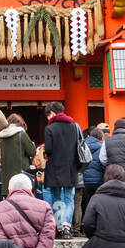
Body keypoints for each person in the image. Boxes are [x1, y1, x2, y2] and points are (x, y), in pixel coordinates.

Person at [42, 101, 81, 238]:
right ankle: (66, 227)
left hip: (55, 167)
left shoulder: (50, 128)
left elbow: (49, 149)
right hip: (71, 168)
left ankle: (59, 227)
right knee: (69, 197)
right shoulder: (74, 126)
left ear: (52, 113)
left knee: (57, 196)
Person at [0, 113, 37, 201]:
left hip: (5, 177)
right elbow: (32, 151)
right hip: (22, 175)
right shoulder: (21, 134)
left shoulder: (0, 136)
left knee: (8, 201)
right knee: (24, 201)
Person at [79, 125, 105, 219]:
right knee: (98, 203)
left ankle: (84, 225)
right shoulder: (102, 147)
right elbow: (103, 162)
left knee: (85, 203)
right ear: (101, 138)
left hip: (84, 179)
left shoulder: (82, 146)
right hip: (98, 180)